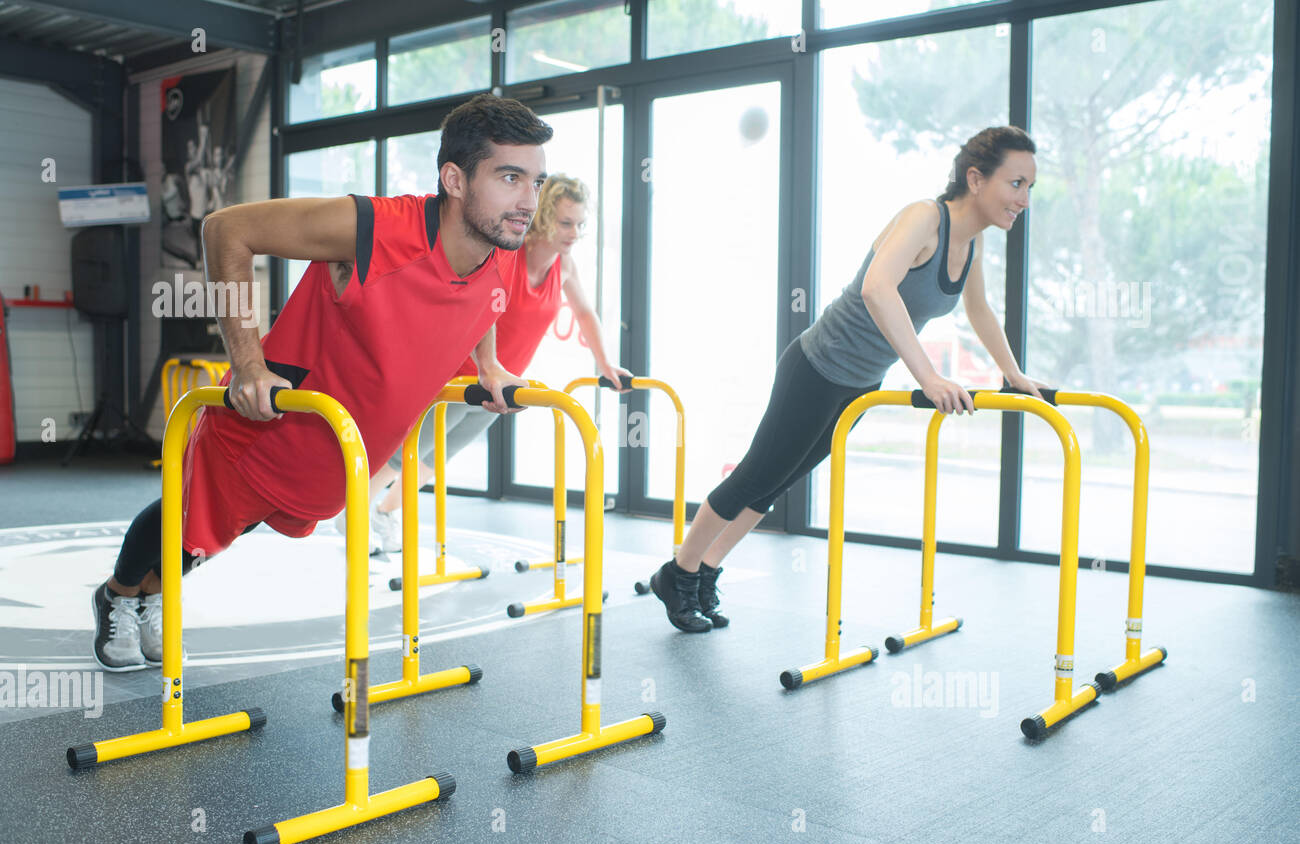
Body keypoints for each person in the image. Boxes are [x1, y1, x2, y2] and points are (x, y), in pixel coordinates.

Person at [89, 93, 551, 671]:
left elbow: (485, 298)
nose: (528, 200)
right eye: (511, 178)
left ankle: (148, 593)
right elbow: (226, 230)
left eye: (536, 181)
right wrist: (249, 363)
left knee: (214, 536)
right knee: (191, 527)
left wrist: (490, 367)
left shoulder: (498, 241)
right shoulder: (372, 228)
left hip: (338, 451)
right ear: (454, 180)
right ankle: (119, 594)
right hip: (271, 425)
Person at [649, 125, 1049, 633]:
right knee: (754, 474)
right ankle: (677, 574)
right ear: (976, 178)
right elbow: (878, 289)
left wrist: (1012, 373)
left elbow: (980, 309)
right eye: (1017, 184)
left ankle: (705, 571)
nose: (1024, 200)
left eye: (1030, 188)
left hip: (860, 384)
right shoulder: (925, 218)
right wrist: (928, 377)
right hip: (816, 367)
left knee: (779, 484)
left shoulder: (971, 245)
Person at [344, 174, 631, 552]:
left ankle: (383, 513)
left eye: (579, 224)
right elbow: (479, 303)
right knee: (407, 453)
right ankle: (350, 513)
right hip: (458, 374)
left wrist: (605, 363)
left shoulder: (565, 267)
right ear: (543, 217)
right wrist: (485, 363)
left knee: (437, 458)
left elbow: (585, 313)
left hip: (501, 382)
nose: (574, 233)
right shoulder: (508, 254)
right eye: (565, 223)